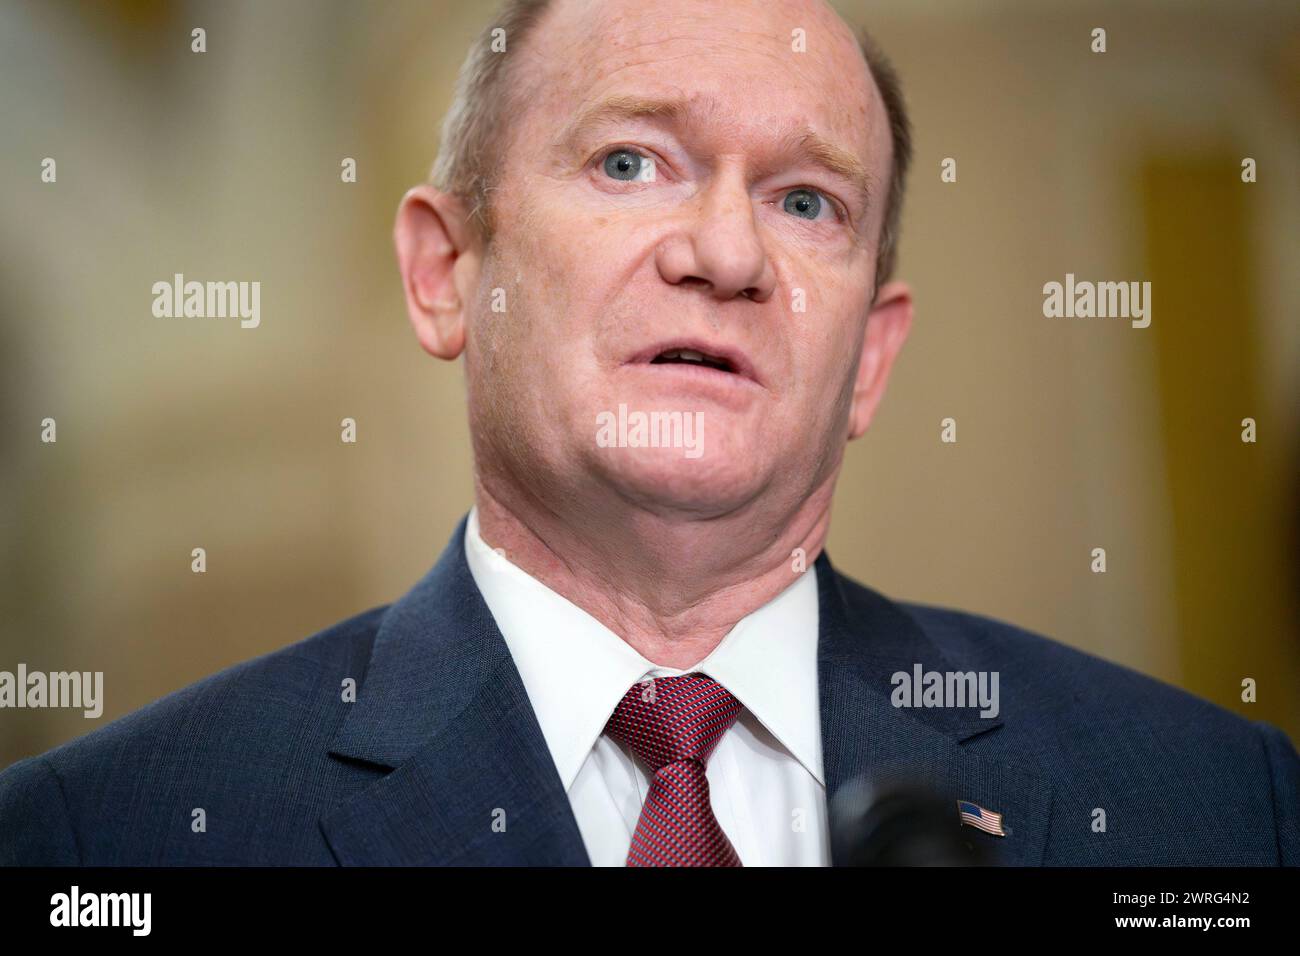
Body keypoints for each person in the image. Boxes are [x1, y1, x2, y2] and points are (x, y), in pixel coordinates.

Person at [1, 0, 1295, 867]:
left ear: (872, 359)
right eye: (630, 163)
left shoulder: (1223, 811)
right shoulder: (107, 839)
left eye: (803, 201)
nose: (727, 252)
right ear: (447, 272)